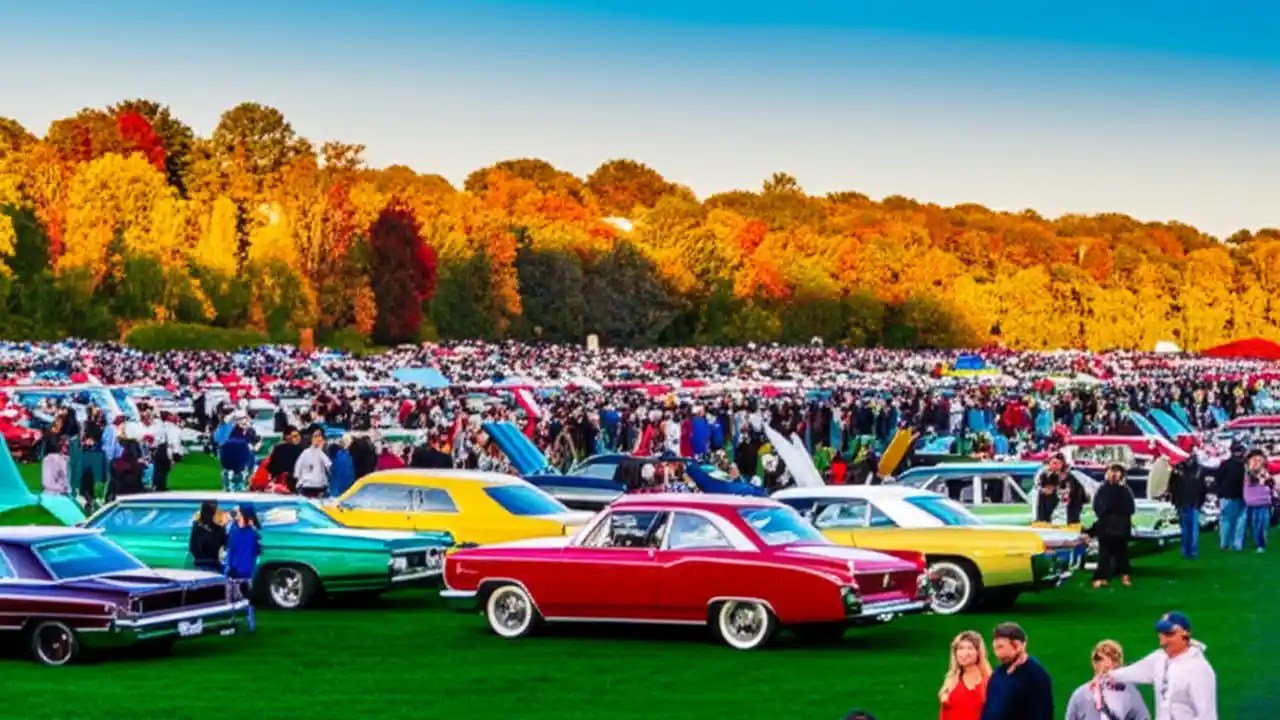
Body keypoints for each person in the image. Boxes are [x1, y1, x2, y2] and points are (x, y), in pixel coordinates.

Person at [1100, 612, 1216, 720]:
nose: (1163, 641)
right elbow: (1132, 672)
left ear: (1185, 635)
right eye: (1161, 634)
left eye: (1169, 634)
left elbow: (1207, 716)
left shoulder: (1199, 670)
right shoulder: (1159, 659)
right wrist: (1105, 677)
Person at [979, 622, 1053, 720]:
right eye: (995, 648)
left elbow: (1040, 714)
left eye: (1001, 647)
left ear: (1018, 646)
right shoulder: (997, 674)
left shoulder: (1036, 676)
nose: (997, 653)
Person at [1065, 640, 1150, 720]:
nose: (1106, 675)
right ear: (1094, 665)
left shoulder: (1130, 694)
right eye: (1104, 670)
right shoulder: (1080, 695)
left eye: (1111, 670)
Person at [1086, 464, 1135, 589]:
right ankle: (1102, 577)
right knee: (1104, 554)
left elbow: (1130, 508)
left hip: (1121, 526)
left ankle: (1125, 576)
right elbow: (1099, 507)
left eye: (1117, 472)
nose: (1114, 475)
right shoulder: (1102, 490)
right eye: (1111, 472)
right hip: (1106, 526)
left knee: (1122, 553)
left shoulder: (1125, 490)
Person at [224, 504, 262, 633]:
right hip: (236, 570)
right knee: (234, 601)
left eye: (239, 512)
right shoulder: (238, 530)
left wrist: (232, 567)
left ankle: (243, 624)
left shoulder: (248, 534)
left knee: (240, 600)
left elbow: (243, 553)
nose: (237, 514)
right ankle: (238, 624)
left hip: (242, 572)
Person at [938, 630, 990, 720]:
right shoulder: (951, 681)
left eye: (970, 648)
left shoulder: (989, 681)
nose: (964, 653)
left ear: (978, 652)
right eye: (960, 648)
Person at [1168, 458, 1206, 559]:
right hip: (1194, 505)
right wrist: (1200, 504)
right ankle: (1192, 551)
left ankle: (1185, 550)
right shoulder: (1197, 480)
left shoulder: (1179, 479)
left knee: (1185, 529)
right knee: (1193, 530)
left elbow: (1173, 491)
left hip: (1183, 505)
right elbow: (1203, 492)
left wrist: (1176, 504)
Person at [1214, 444, 1246, 551]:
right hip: (1239, 496)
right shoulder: (1243, 465)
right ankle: (1236, 545)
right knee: (1239, 520)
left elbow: (1217, 479)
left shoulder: (1225, 464)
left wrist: (1218, 495)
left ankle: (1224, 544)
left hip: (1225, 495)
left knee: (1225, 520)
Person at [1242, 449, 1274, 552]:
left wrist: (1266, 478)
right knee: (1255, 524)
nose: (1257, 461)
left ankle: (1261, 545)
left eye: (1259, 459)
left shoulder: (1265, 471)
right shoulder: (1249, 472)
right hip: (1252, 501)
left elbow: (1270, 483)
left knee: (1261, 524)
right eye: (1255, 459)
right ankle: (1257, 543)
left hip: (1263, 501)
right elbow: (1255, 479)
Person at [189, 500, 228, 573]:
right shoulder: (218, 530)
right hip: (209, 564)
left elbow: (192, 548)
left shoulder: (197, 528)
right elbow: (227, 544)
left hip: (203, 563)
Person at [294, 429, 332, 498]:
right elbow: (297, 470)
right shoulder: (306, 453)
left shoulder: (325, 451)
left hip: (319, 486)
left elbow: (329, 466)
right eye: (315, 436)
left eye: (319, 436)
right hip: (308, 486)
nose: (318, 438)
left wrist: (320, 450)